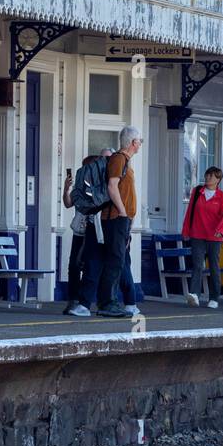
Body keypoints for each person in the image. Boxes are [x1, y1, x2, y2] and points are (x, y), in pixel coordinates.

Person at [97, 127, 140, 318]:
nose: (140, 144)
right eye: (140, 141)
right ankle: (107, 302)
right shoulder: (118, 159)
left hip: (122, 220)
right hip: (115, 218)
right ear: (133, 142)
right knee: (114, 261)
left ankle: (110, 301)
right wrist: (123, 212)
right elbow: (112, 186)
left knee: (118, 260)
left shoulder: (125, 161)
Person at [182, 165, 223, 308]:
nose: (208, 178)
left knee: (214, 266)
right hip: (197, 234)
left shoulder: (222, 197)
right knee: (197, 265)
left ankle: (214, 298)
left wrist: (219, 230)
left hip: (214, 237)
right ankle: (194, 295)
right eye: (207, 175)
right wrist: (185, 231)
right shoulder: (197, 192)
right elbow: (189, 212)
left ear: (218, 179)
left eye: (211, 176)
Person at [62, 155, 102, 317]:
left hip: (94, 231)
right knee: (74, 265)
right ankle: (73, 300)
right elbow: (68, 203)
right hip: (79, 230)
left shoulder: (100, 187)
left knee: (90, 267)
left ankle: (88, 301)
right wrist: (66, 189)